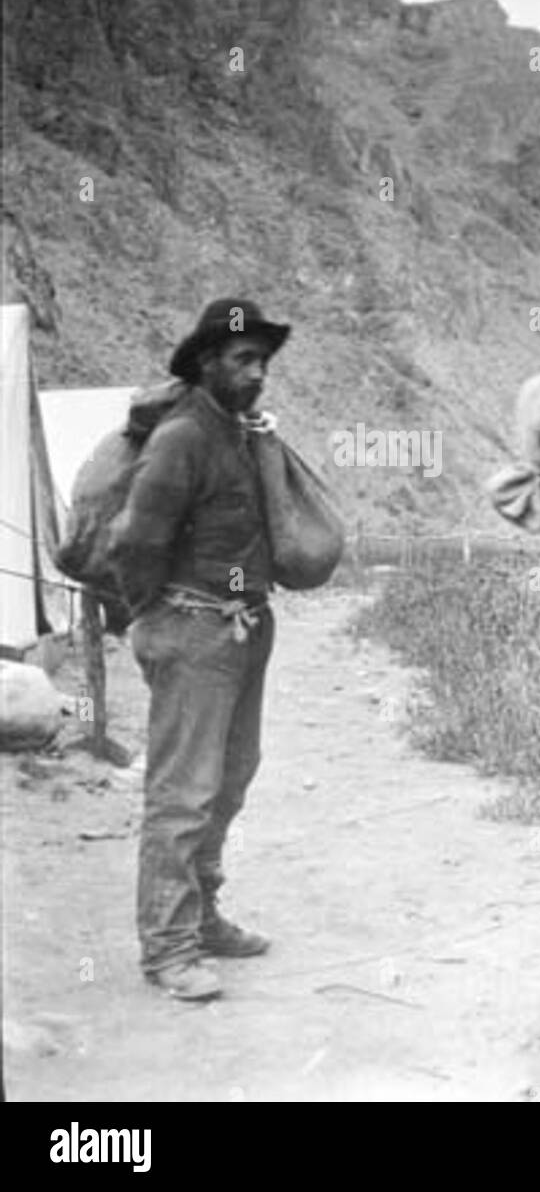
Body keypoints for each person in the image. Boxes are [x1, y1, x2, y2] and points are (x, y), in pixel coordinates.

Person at [111, 298, 290, 1001]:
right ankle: (167, 947)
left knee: (231, 777)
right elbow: (136, 540)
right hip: (192, 630)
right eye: (244, 360)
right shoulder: (184, 436)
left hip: (244, 626)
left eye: (264, 363)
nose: (257, 374)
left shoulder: (239, 432)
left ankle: (204, 914)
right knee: (182, 794)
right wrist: (148, 618)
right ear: (207, 361)